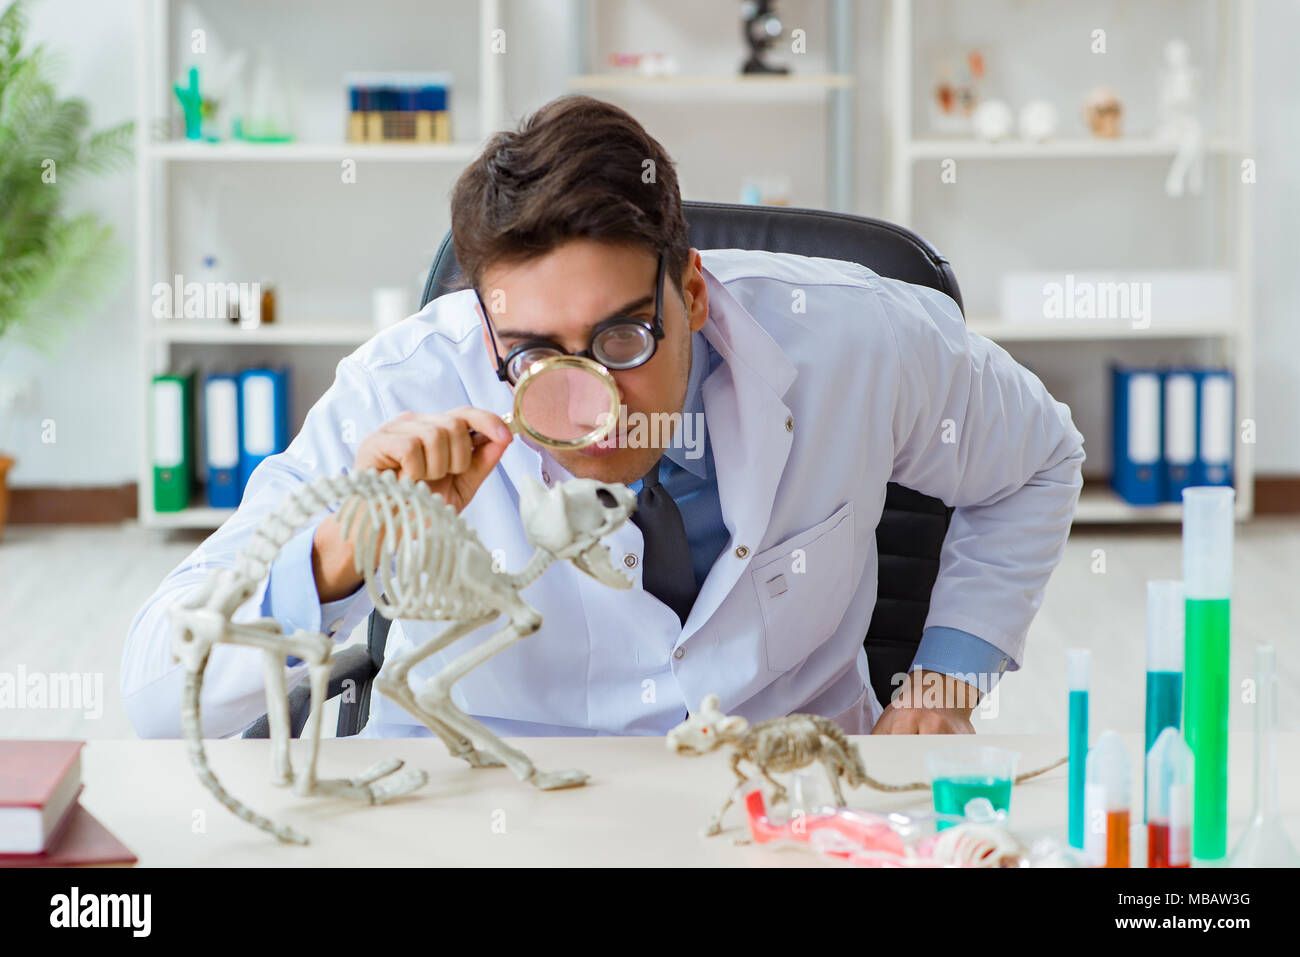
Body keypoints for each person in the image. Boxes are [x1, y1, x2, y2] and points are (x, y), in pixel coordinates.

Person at [123, 94, 1085, 741]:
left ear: (694, 293)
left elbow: (1037, 459)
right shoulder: (401, 387)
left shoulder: (858, 339)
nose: (596, 409)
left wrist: (945, 680)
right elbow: (160, 699)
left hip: (786, 804)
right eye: (537, 355)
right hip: (486, 811)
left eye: (626, 336)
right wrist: (340, 551)